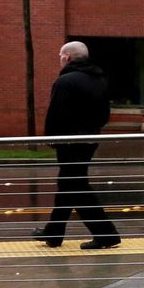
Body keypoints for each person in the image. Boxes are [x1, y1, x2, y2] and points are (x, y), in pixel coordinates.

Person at [32, 41, 121, 250]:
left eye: (61, 55)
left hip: (69, 141)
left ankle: (106, 234)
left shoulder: (65, 81)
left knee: (75, 184)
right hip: (90, 139)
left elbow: (55, 115)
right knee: (69, 182)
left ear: (68, 57)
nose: (60, 59)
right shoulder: (99, 79)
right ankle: (54, 232)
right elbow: (104, 114)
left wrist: (52, 139)